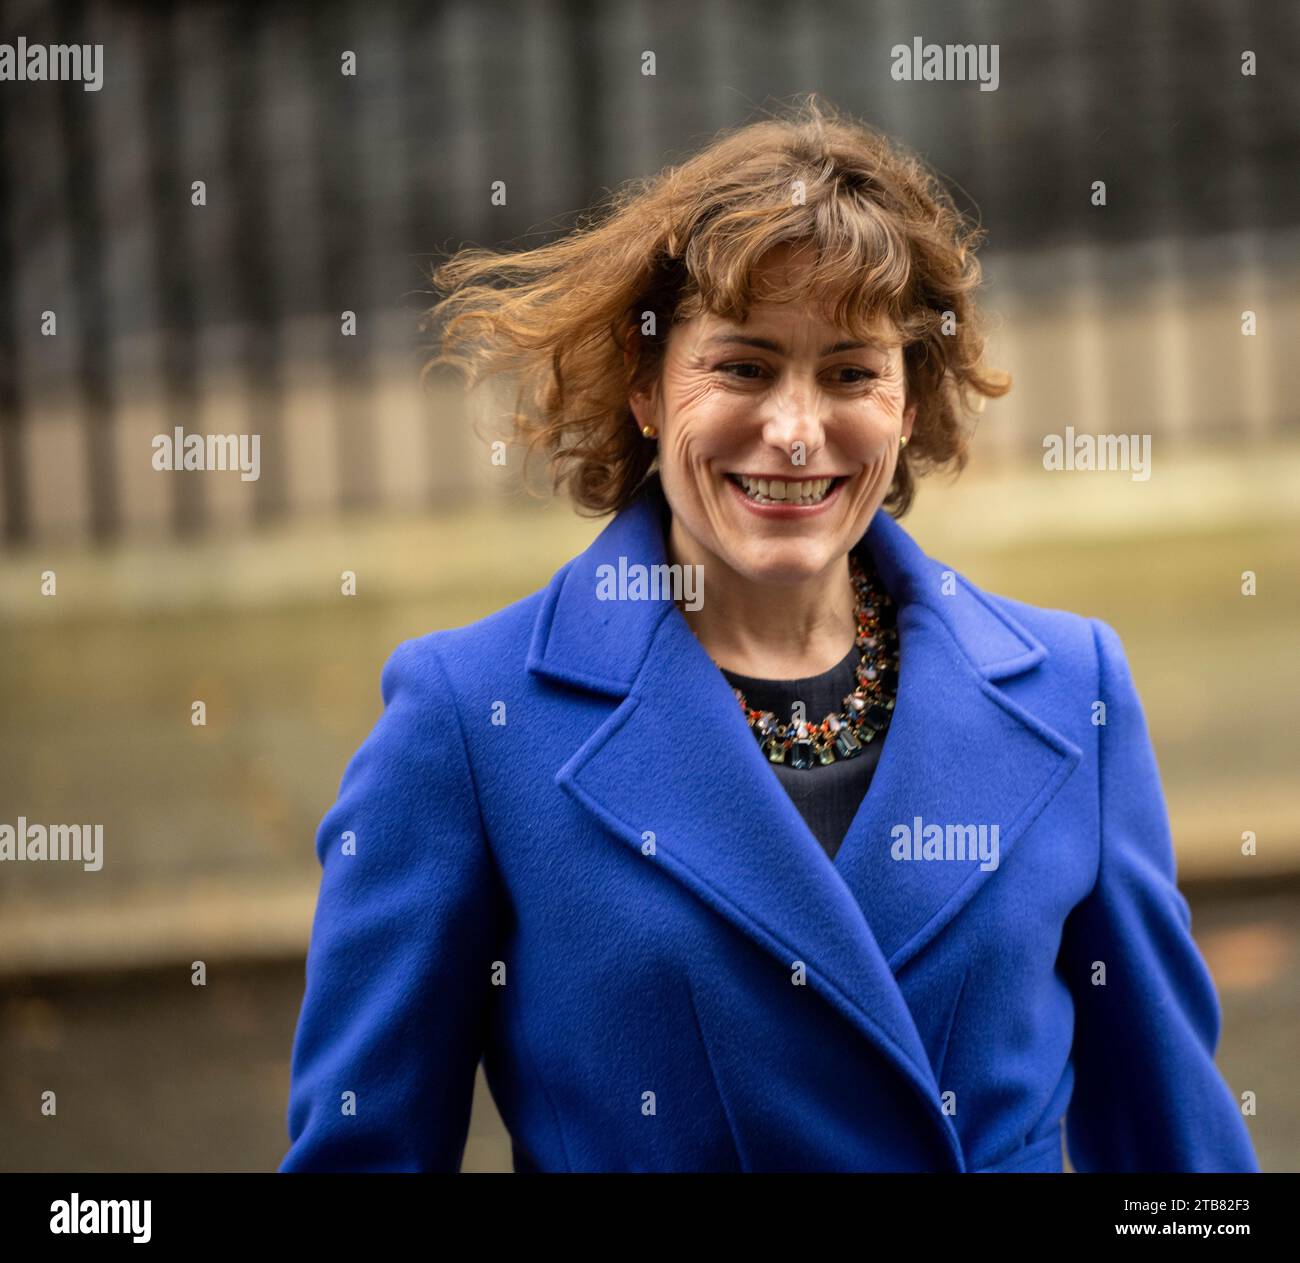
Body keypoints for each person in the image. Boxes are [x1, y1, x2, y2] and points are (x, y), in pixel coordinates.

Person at [278, 97, 1259, 1173]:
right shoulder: (469, 720)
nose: (796, 433)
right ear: (646, 384)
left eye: (849, 372)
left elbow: (1181, 1161)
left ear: (908, 401)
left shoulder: (1072, 690)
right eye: (743, 367)